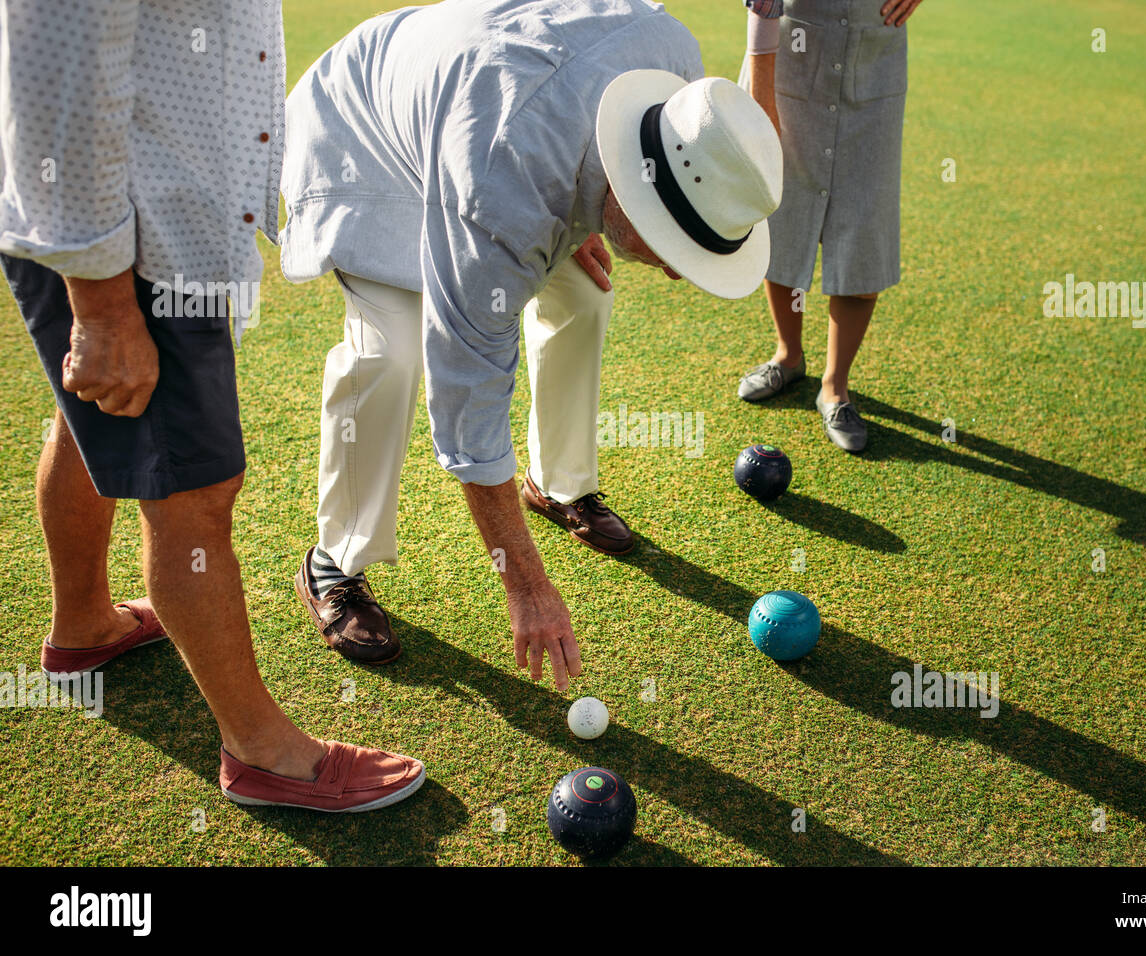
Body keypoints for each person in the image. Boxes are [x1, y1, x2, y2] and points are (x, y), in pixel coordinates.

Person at [0, 0, 424, 812]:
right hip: (131, 247)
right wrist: (103, 307)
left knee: (88, 418)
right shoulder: (118, 273)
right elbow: (62, 69)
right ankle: (261, 752)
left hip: (152, 233)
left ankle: (85, 624)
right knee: (194, 492)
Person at [279, 0, 783, 671]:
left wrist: (573, 203)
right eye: (669, 249)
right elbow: (468, 408)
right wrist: (526, 585)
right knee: (390, 351)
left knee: (583, 296)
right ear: (632, 197)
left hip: (482, 124)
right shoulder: (501, 189)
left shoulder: (677, 74)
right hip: (361, 139)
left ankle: (556, 483)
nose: (670, 274)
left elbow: (570, 128)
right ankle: (334, 562)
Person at [738, 0, 921, 452]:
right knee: (784, 218)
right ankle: (788, 355)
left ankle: (835, 387)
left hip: (875, 58)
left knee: (864, 227)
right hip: (791, 62)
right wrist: (762, 98)